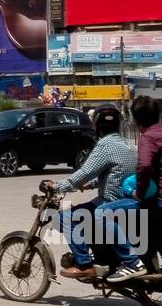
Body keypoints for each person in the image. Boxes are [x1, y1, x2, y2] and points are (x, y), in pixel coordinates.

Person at [95, 95, 162, 284]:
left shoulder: (149, 137)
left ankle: (131, 262)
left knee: (102, 213)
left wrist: (140, 193)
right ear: (157, 115)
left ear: (135, 119)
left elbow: (143, 167)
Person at [39, 106, 137, 280]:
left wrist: (57, 186)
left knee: (64, 218)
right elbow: (115, 173)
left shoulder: (105, 145)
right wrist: (90, 185)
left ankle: (83, 264)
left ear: (97, 126)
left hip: (109, 203)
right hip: (127, 201)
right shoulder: (128, 145)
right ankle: (102, 255)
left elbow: (84, 173)